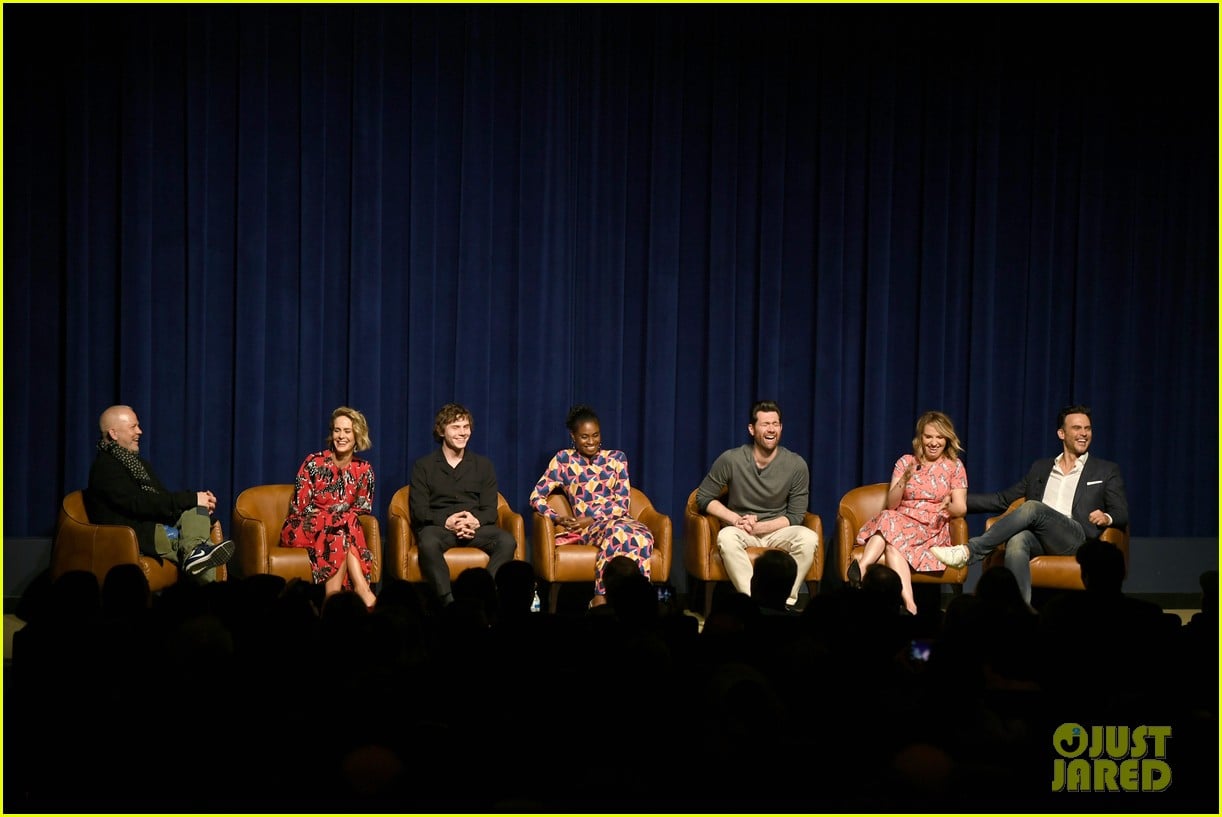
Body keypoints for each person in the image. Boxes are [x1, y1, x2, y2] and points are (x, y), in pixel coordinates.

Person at [930, 404, 1129, 604]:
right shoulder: (1041, 468)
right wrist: (953, 500)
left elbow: (1121, 512)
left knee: (1033, 507)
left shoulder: (1105, 470)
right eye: (1077, 428)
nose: (1084, 434)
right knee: (1018, 539)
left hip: (1076, 539)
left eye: (1088, 428)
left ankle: (969, 551)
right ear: (1061, 433)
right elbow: (1002, 500)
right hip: (1041, 538)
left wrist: (1107, 517)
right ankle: (1019, 610)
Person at [84, 405, 234, 582]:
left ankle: (196, 553)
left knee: (198, 509)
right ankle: (198, 560)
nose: (139, 431)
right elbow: (141, 504)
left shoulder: (138, 464)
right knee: (198, 545)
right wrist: (192, 499)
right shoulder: (105, 468)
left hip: (163, 525)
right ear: (113, 434)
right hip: (139, 535)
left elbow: (161, 499)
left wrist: (200, 501)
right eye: (133, 427)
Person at [694, 400, 819, 609]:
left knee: (809, 538)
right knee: (726, 537)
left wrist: (761, 527)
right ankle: (753, 603)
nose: (771, 429)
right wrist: (736, 519)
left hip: (776, 530)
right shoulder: (731, 459)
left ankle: (785, 601)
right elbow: (704, 497)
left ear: (781, 428)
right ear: (752, 429)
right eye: (765, 424)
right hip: (742, 528)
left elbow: (796, 516)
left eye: (775, 424)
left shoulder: (796, 464)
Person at [528, 404, 654, 608]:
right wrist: (557, 517)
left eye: (595, 435)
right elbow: (536, 496)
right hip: (589, 529)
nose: (591, 441)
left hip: (619, 520)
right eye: (584, 437)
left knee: (642, 536)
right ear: (573, 436)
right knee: (620, 533)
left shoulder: (616, 459)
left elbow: (622, 504)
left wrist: (594, 517)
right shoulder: (564, 460)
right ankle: (601, 597)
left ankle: (638, 601)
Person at [849, 410, 968, 614]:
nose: (933, 442)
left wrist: (948, 505)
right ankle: (910, 604)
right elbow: (892, 504)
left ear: (947, 439)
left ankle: (861, 567)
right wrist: (905, 478)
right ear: (920, 437)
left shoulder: (954, 466)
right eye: (928, 436)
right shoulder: (905, 462)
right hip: (901, 522)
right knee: (891, 533)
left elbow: (961, 508)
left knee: (889, 527)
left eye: (939, 437)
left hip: (932, 528)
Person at [409, 403, 516, 608]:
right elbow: (419, 511)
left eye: (466, 427)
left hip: (474, 528)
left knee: (506, 541)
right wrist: (447, 521)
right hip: (441, 529)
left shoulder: (483, 465)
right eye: (455, 427)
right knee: (428, 542)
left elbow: (490, 510)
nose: (462, 433)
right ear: (442, 431)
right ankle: (448, 602)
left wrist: (475, 521)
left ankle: (484, 597)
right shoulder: (424, 466)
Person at [280, 406, 378, 608]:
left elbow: (362, 508)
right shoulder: (313, 462)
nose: (341, 436)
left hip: (340, 530)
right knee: (343, 525)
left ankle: (331, 601)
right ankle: (361, 589)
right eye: (337, 430)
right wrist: (331, 516)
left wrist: (333, 516)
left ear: (357, 435)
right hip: (304, 528)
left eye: (347, 431)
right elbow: (300, 506)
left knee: (340, 532)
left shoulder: (364, 470)